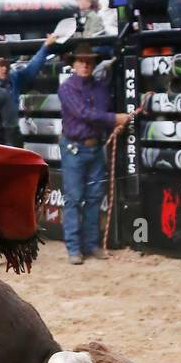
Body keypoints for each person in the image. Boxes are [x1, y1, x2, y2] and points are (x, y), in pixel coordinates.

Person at [58, 44, 129, 265]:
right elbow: (83, 113)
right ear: (74, 64)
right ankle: (74, 247)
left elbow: (93, 114)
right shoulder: (67, 88)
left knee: (94, 198)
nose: (85, 65)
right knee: (74, 198)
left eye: (89, 61)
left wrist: (111, 121)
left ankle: (90, 245)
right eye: (81, 61)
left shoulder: (100, 88)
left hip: (94, 147)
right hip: (75, 147)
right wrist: (114, 119)